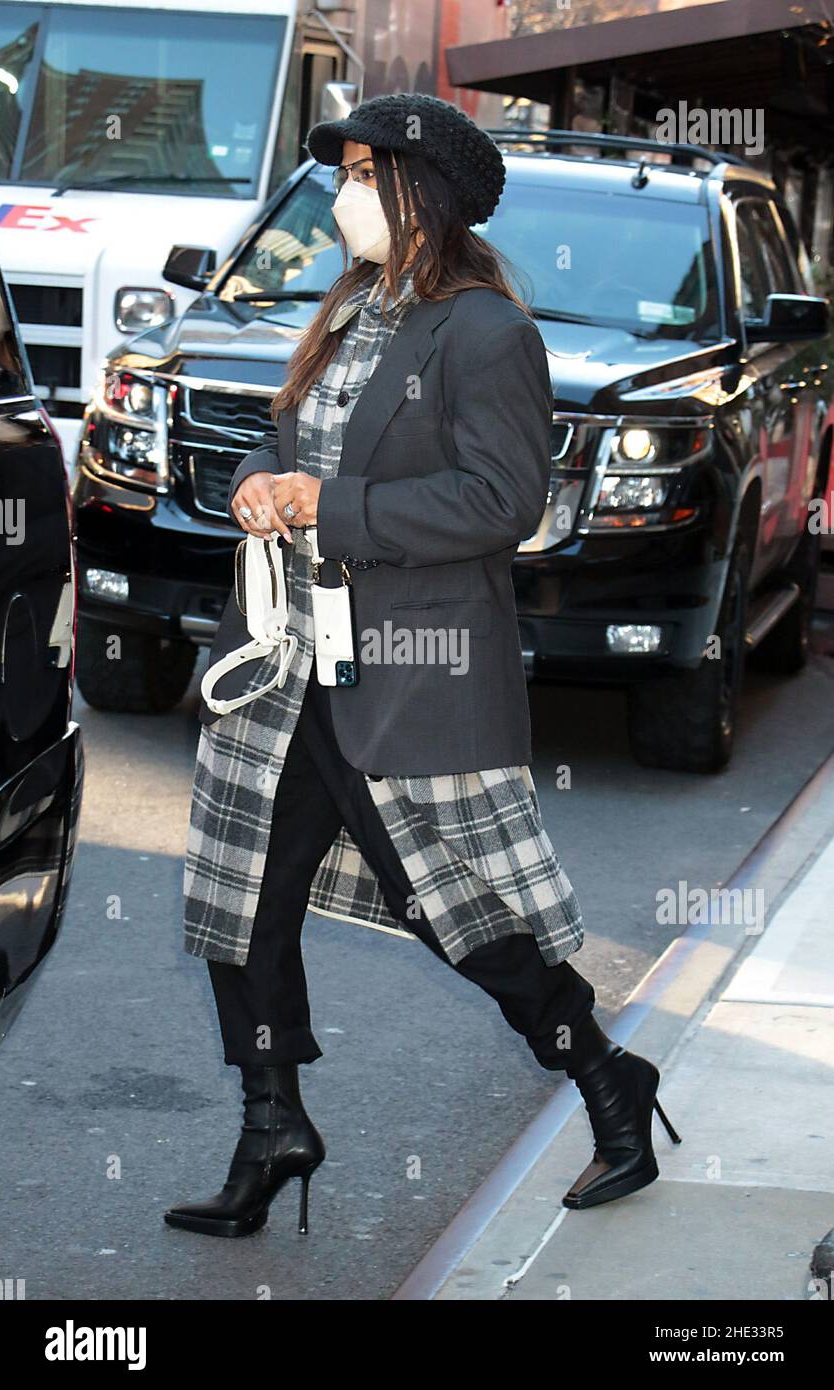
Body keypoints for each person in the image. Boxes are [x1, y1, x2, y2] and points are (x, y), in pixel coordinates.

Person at [165, 93, 680, 1241]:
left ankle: (603, 1073)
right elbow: (295, 438)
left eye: (361, 172)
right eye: (343, 171)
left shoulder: (487, 332)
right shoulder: (348, 310)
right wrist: (263, 476)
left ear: (419, 192)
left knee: (453, 914)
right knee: (238, 900)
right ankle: (271, 1125)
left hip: (406, 666)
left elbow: (504, 502)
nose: (343, 193)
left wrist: (327, 504)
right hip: (287, 659)